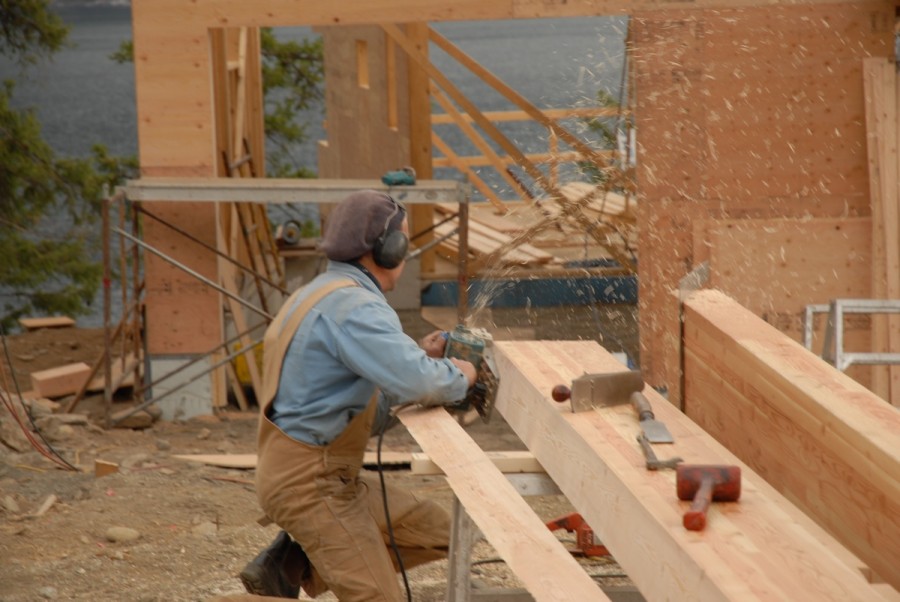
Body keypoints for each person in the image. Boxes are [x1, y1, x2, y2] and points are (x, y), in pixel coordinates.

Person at [239, 189, 477, 601]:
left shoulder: (323, 292)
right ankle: (320, 551)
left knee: (444, 533)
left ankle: (295, 562)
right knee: (378, 597)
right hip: (313, 484)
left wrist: (417, 357)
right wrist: (461, 375)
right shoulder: (355, 307)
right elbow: (426, 383)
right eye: (403, 239)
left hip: (325, 475)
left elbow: (362, 405)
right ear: (389, 249)